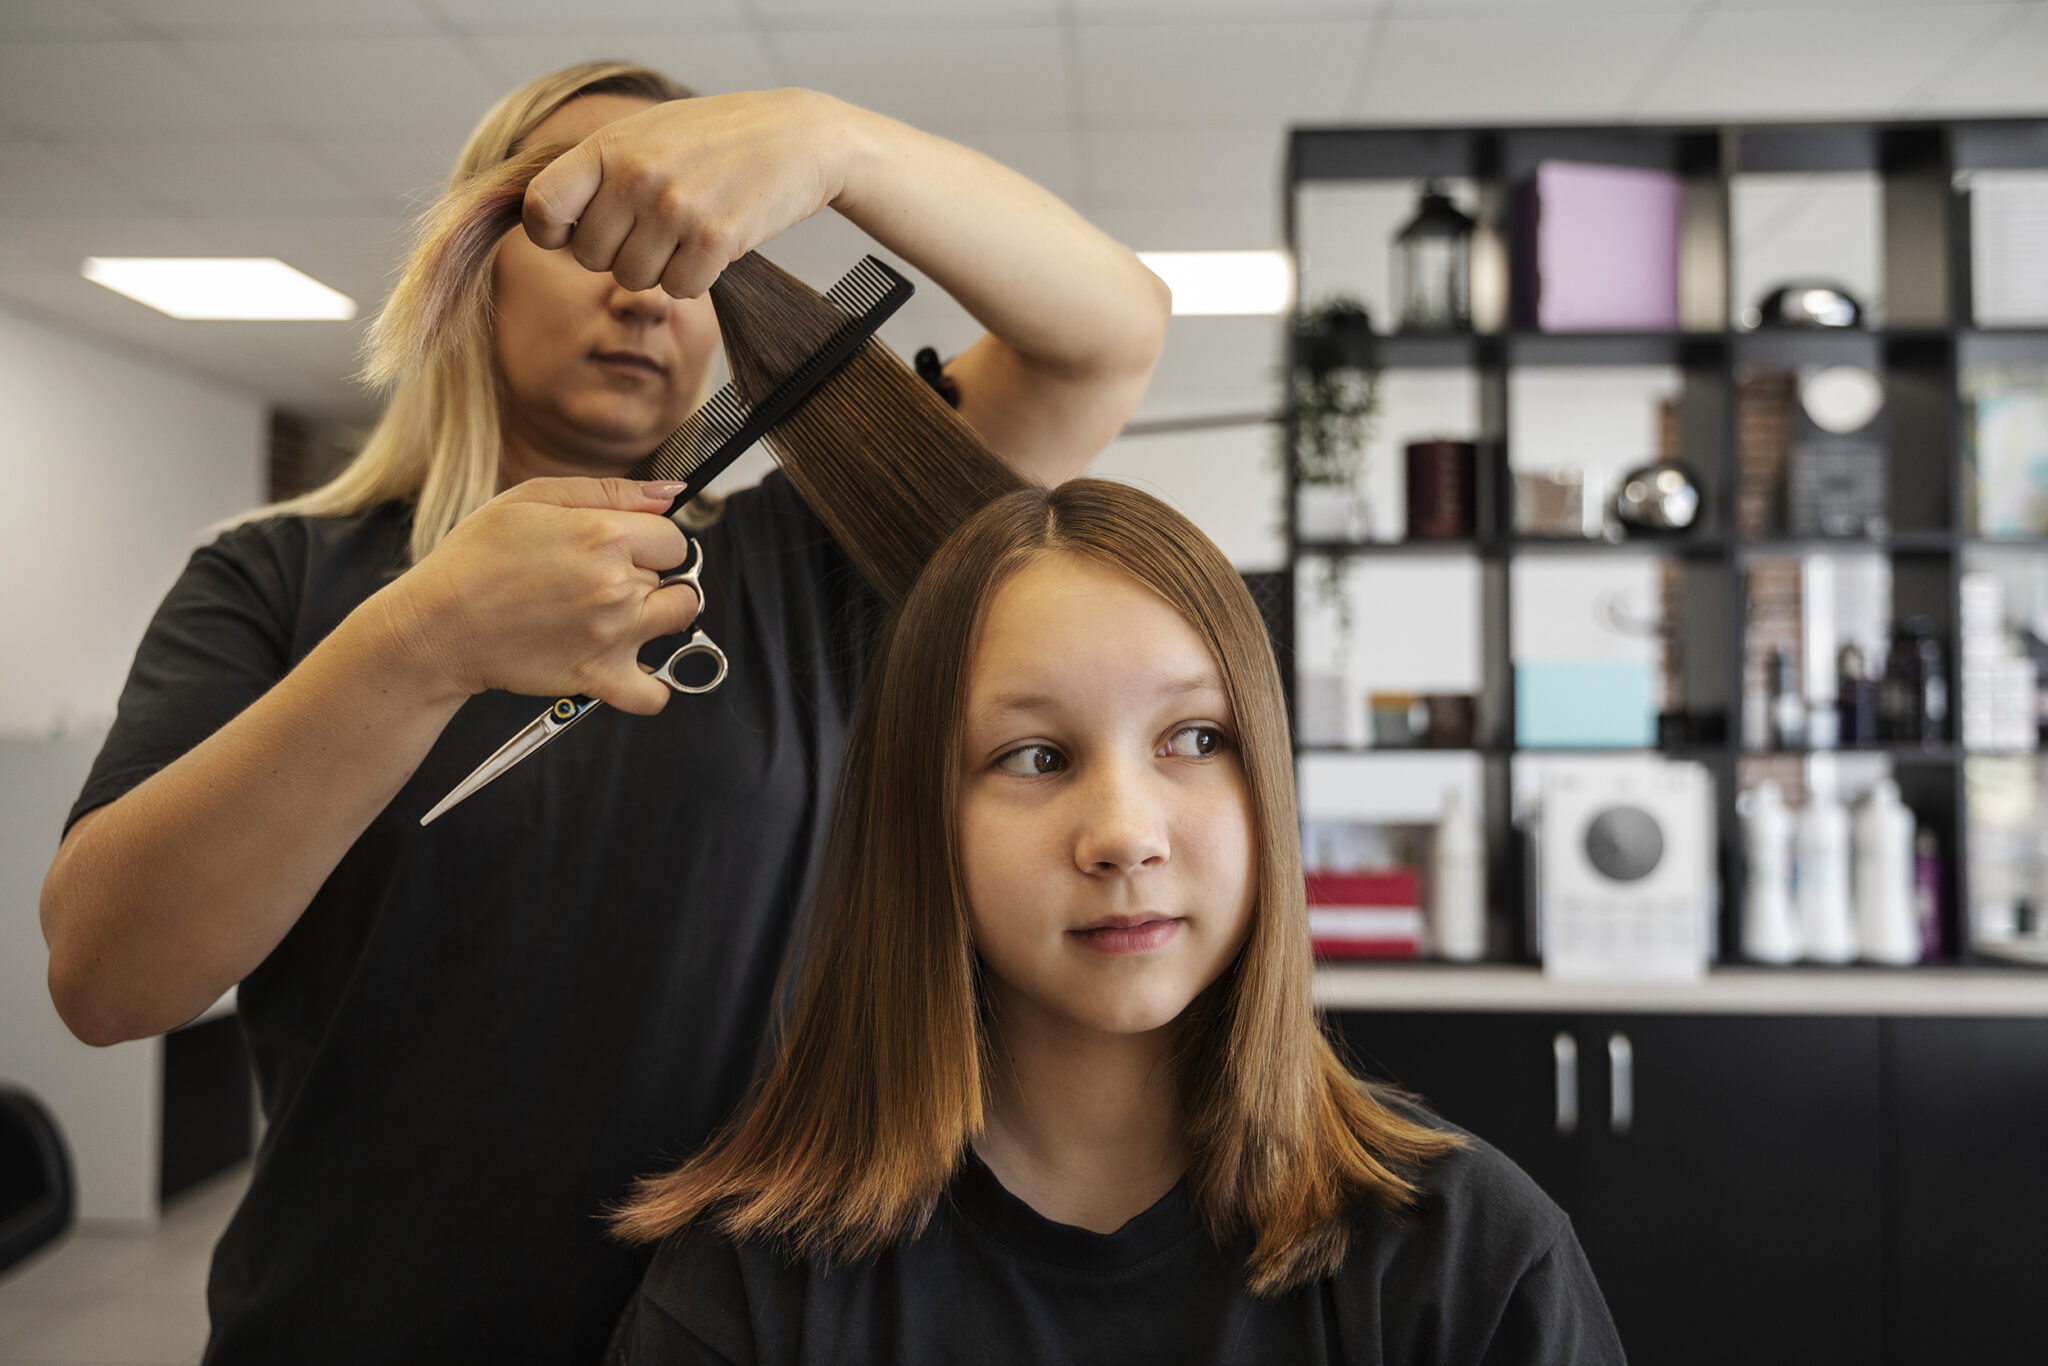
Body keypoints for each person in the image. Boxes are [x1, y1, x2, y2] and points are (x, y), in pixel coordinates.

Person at [37, 62, 1168, 1363]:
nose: (641, 287)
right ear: (479, 263)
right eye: (583, 231)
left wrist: (832, 141)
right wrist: (421, 644)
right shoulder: (281, 578)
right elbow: (108, 976)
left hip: (760, 1328)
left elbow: (1111, 335)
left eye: (688, 245)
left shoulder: (821, 555)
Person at [606, 480, 1627, 1365]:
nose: (1124, 835)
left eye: (1192, 737)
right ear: (920, 823)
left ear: (1264, 782)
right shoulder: (746, 1291)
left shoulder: (1476, 1262)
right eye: (1035, 757)